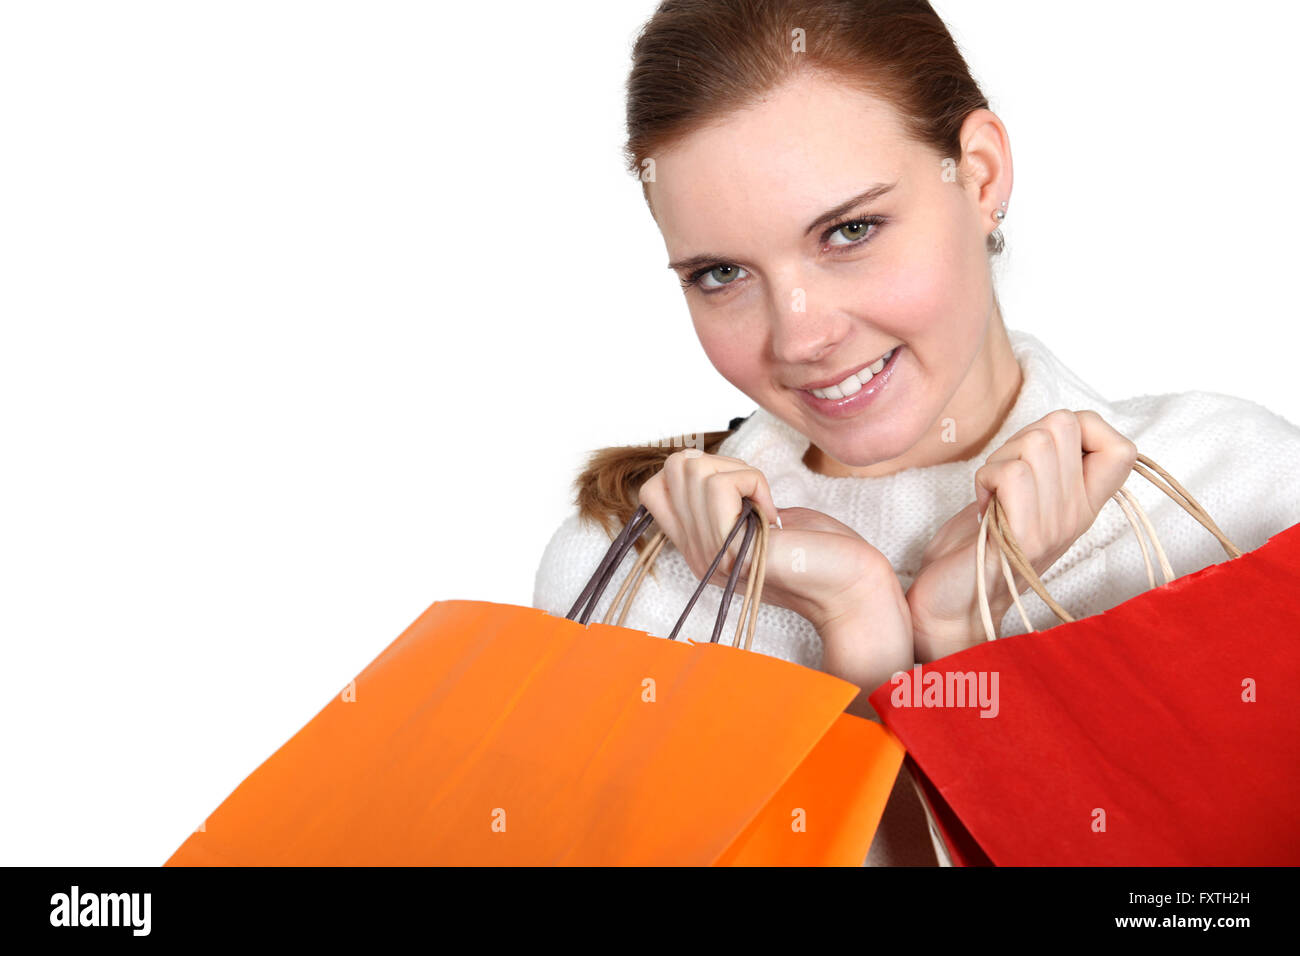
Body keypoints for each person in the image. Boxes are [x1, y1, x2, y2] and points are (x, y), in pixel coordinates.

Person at [531, 0, 1300, 865]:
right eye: (720, 274)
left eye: (849, 231)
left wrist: (958, 643)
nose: (800, 337)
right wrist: (858, 633)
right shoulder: (629, 591)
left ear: (978, 175)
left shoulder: (1235, 502)